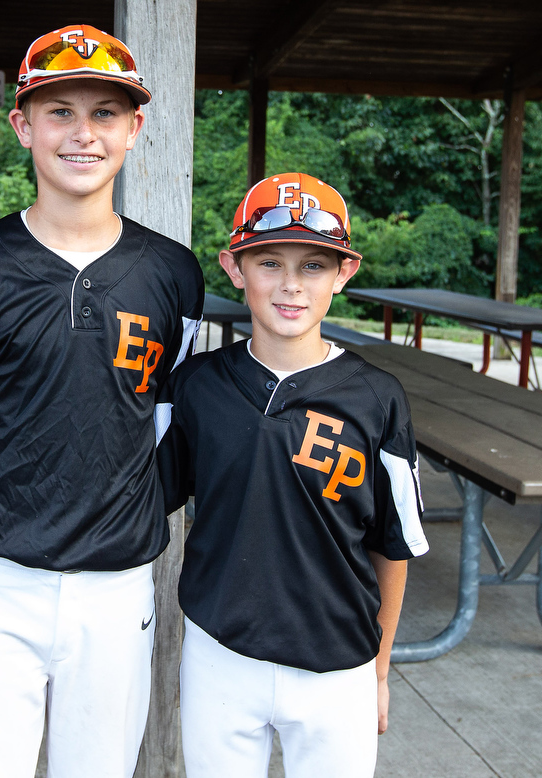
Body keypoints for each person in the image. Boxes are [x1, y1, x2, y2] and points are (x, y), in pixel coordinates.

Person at [0, 23, 204, 778]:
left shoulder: (173, 275)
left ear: (135, 127)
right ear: (22, 125)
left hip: (116, 583)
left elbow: (174, 420)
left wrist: (120, 512)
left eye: (105, 113)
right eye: (59, 111)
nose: (83, 133)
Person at [156, 172, 430, 777]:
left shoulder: (377, 398)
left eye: (312, 266)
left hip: (338, 664)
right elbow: (141, 493)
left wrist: (380, 673)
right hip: (220, 650)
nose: (289, 285)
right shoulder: (197, 386)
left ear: (344, 273)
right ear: (234, 267)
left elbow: (395, 546)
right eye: (269, 262)